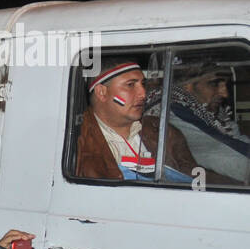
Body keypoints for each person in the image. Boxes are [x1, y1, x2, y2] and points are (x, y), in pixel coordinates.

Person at [75, 62, 230, 183]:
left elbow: (196, 177)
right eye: (130, 85)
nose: (143, 93)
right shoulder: (74, 142)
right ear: (102, 92)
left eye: (143, 84)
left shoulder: (161, 130)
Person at [156, 64, 250, 184]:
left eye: (226, 85)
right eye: (214, 84)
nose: (225, 93)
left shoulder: (214, 115)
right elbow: (234, 158)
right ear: (187, 86)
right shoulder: (175, 115)